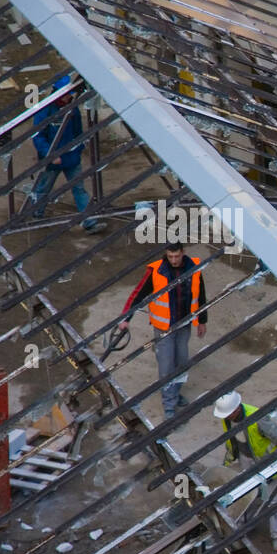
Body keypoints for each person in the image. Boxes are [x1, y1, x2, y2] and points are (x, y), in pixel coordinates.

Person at [119, 244, 207, 419]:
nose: (173, 260)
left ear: (183, 253)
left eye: (176, 256)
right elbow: (138, 294)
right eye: (170, 257)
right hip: (163, 327)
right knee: (166, 365)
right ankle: (169, 404)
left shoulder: (194, 269)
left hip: (184, 324)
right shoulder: (156, 271)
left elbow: (201, 295)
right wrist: (126, 318)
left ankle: (175, 392)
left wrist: (202, 321)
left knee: (181, 361)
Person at [28, 75, 105, 233]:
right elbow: (38, 136)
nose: (69, 96)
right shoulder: (45, 110)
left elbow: (78, 132)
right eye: (66, 93)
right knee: (43, 188)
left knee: (79, 189)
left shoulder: (72, 109)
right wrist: (50, 154)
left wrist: (78, 149)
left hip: (71, 158)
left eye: (70, 93)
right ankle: (36, 214)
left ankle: (89, 222)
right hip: (52, 160)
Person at [214, 391, 277, 538]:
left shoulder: (257, 417)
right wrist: (228, 460)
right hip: (246, 458)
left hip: (266, 462)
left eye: (227, 414)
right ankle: (244, 525)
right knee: (246, 492)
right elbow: (232, 440)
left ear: (236, 409)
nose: (225, 417)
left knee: (271, 497)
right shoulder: (227, 418)